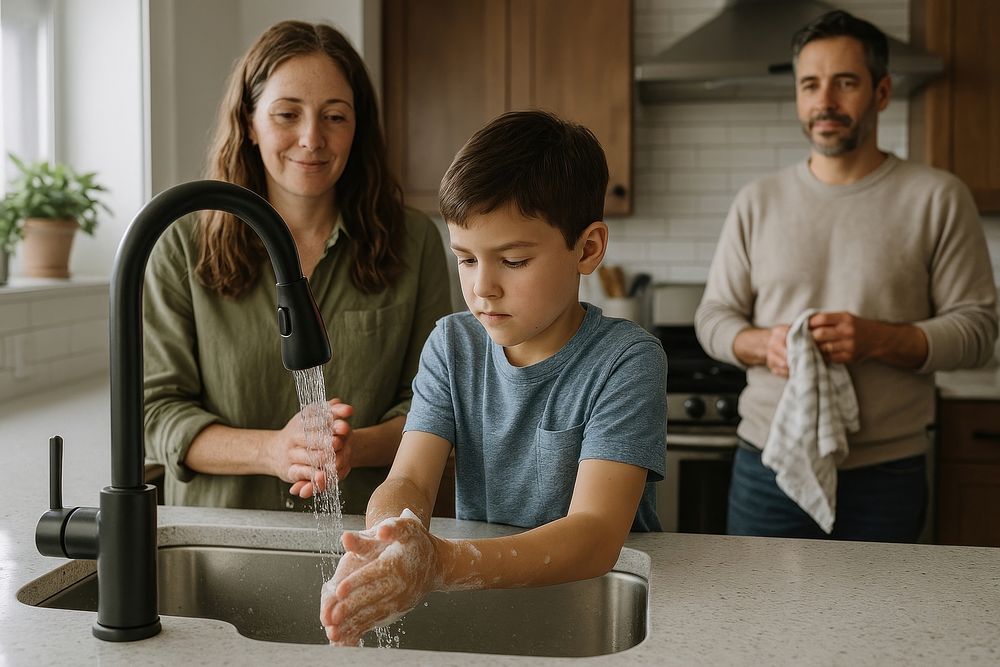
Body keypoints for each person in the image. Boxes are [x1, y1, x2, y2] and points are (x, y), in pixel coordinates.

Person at [318, 110, 667, 645]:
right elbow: (408, 479)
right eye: (465, 259)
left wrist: (440, 564)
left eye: (513, 260)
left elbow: (595, 535)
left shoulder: (625, 360)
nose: (483, 288)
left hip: (593, 610)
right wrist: (392, 542)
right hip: (490, 600)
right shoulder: (452, 345)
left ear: (588, 248)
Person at [694, 10, 998, 542]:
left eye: (846, 83)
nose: (825, 102)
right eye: (810, 85)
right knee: (759, 621)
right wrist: (761, 344)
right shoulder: (757, 202)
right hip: (768, 465)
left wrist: (881, 338)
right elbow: (713, 317)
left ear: (881, 92)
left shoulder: (937, 197)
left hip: (888, 473)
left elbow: (977, 332)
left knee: (879, 624)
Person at [142, 21, 452, 514]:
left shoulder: (413, 243)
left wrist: (352, 447)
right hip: (220, 540)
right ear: (249, 121)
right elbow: (154, 413)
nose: (312, 138)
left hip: (367, 536)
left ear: (358, 128)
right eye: (288, 113)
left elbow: (438, 404)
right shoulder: (181, 244)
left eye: (335, 117)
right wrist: (272, 451)